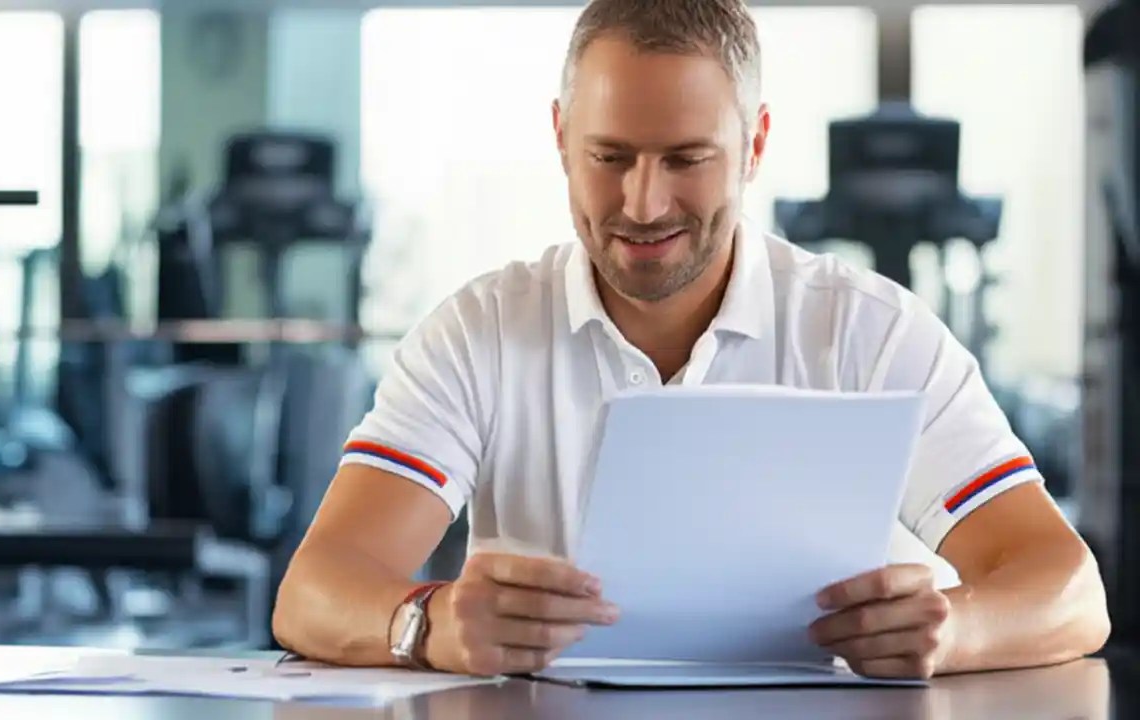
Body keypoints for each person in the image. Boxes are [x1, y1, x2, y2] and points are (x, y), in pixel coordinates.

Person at [273, 0, 1110, 679]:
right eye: (609, 157)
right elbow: (313, 591)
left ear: (754, 144)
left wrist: (953, 631)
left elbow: (1071, 594)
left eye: (685, 159)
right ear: (561, 137)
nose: (642, 204)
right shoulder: (477, 334)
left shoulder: (871, 331)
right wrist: (429, 621)